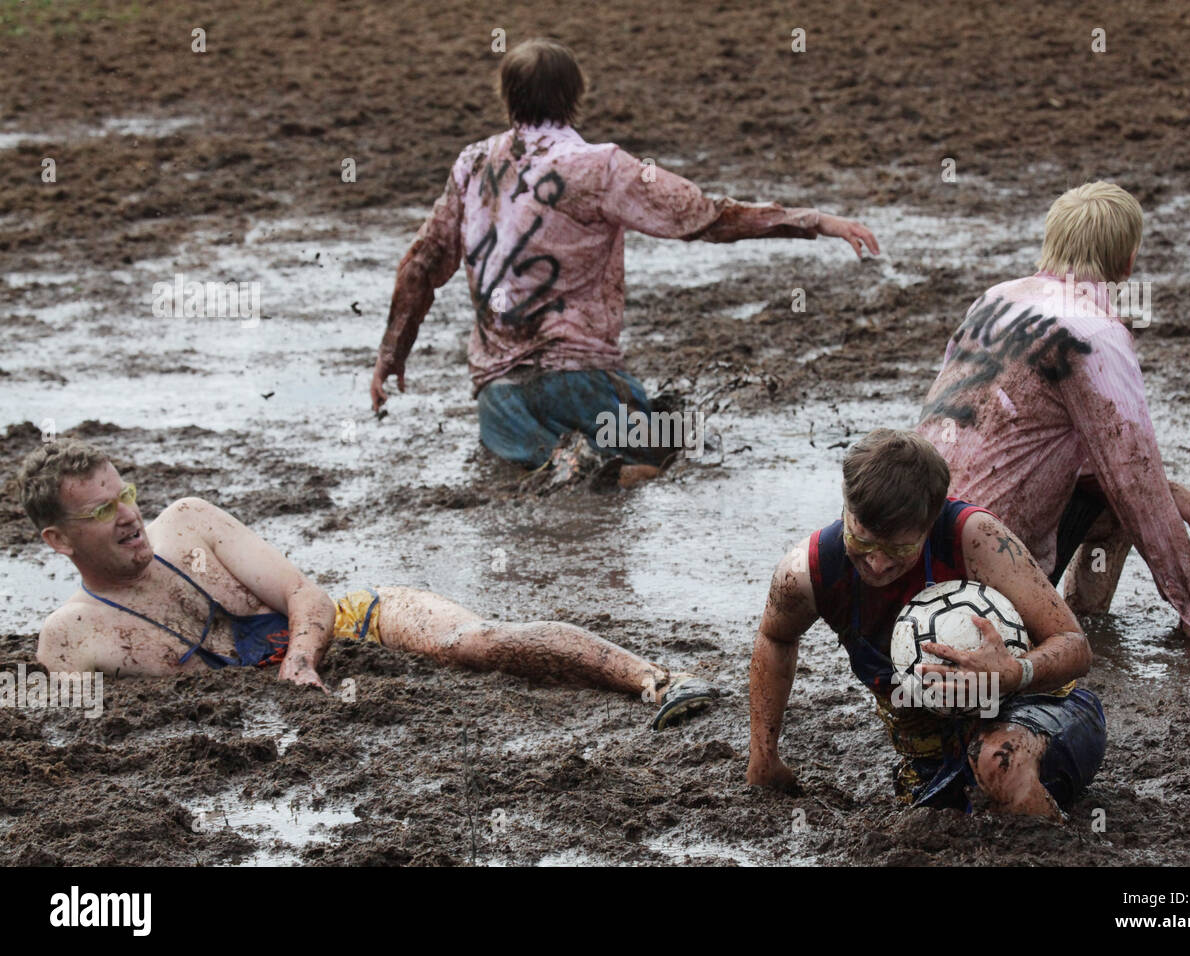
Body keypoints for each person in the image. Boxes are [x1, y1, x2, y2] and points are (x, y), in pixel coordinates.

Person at [370, 37, 879, 487]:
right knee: (685, 442)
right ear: (575, 96)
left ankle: (583, 468)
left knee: (558, 471)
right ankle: (617, 467)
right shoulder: (599, 166)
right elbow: (706, 218)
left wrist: (392, 357)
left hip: (498, 407)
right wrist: (814, 222)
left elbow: (420, 265)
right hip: (581, 386)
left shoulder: (472, 164)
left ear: (507, 98)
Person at [19, 438, 713, 730]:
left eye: (126, 494)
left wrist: (297, 660)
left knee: (474, 644)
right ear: (57, 539)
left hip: (356, 625)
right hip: (278, 699)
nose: (128, 516)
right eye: (102, 510)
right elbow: (81, 737)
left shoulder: (188, 525)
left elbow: (308, 596)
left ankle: (657, 678)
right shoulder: (72, 637)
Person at [914, 182, 1190, 646]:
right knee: (1122, 508)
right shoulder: (1095, 331)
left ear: (1051, 242)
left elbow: (1027, 438)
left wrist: (1168, 488)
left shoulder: (993, 300)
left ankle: (1076, 629)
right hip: (989, 570)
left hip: (916, 547)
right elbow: (1134, 483)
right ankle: (1067, 632)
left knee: (1118, 496)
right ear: (1127, 261)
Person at [746, 430, 1104, 818]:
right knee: (936, 820)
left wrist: (1016, 672)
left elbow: (1074, 644)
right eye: (863, 542)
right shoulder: (809, 570)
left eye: (900, 549)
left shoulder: (975, 538)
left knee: (999, 764)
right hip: (933, 752)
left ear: (931, 521)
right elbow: (776, 638)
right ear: (846, 508)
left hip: (1047, 714)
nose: (878, 564)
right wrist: (764, 755)